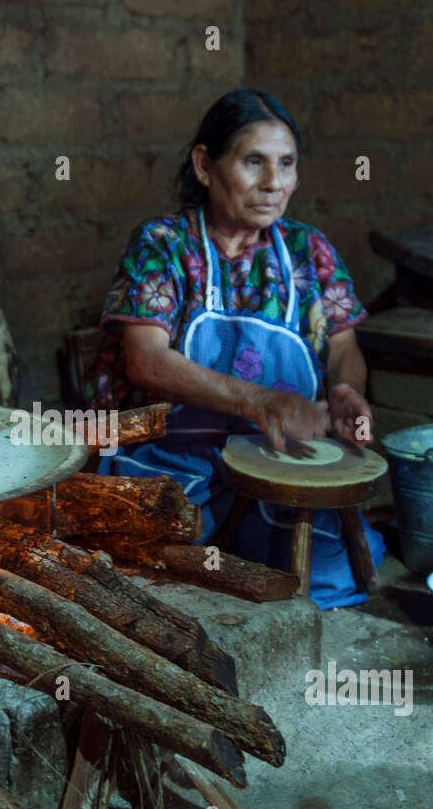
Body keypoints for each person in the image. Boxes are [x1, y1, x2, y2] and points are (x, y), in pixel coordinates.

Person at [84, 87, 385, 609]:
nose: (274, 183)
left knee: (328, 575)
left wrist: (342, 389)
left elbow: (344, 345)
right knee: (161, 578)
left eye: (286, 164)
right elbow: (147, 360)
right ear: (205, 165)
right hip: (175, 457)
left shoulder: (308, 249)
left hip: (279, 463)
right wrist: (258, 401)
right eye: (254, 162)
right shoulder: (164, 244)